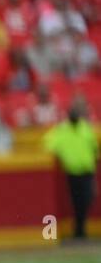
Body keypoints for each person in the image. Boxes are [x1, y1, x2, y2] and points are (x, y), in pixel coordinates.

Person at [43, 98, 98, 239]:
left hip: (87, 171)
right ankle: (79, 229)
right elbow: (47, 144)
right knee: (76, 201)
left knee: (87, 198)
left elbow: (93, 147)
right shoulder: (62, 130)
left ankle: (80, 227)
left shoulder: (85, 128)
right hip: (72, 172)